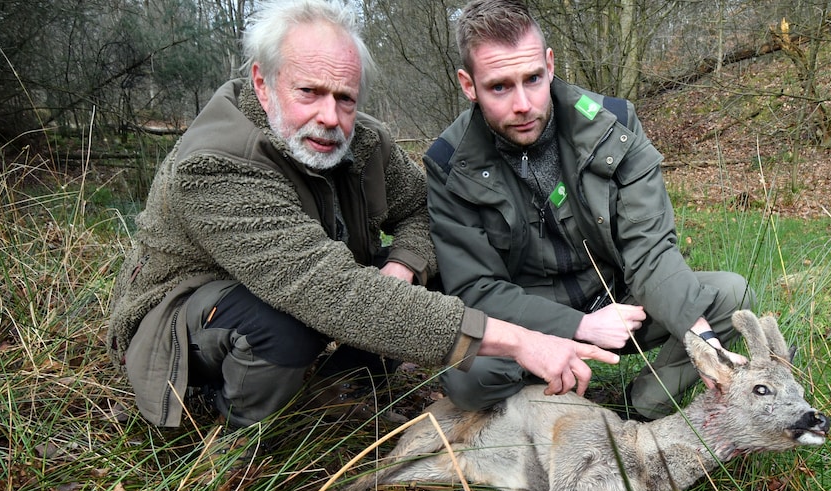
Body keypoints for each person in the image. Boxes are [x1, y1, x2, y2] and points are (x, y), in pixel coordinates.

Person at [106, 0, 616, 431]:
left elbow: (425, 211)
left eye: (345, 98)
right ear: (263, 83)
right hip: (182, 323)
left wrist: (405, 266)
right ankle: (237, 437)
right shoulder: (215, 166)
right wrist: (519, 341)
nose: (330, 118)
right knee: (283, 324)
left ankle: (343, 386)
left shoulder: (365, 141)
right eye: (308, 92)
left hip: (313, 293)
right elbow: (328, 291)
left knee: (442, 266)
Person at [425, 0, 754, 420]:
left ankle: (643, 407)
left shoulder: (613, 125)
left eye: (533, 79)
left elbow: (650, 250)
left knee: (730, 297)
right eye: (500, 87)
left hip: (619, 302)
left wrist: (702, 342)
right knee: (467, 376)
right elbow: (477, 289)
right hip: (529, 322)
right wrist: (577, 328)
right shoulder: (449, 162)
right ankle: (552, 405)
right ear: (469, 85)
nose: (523, 104)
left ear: (549, 63)